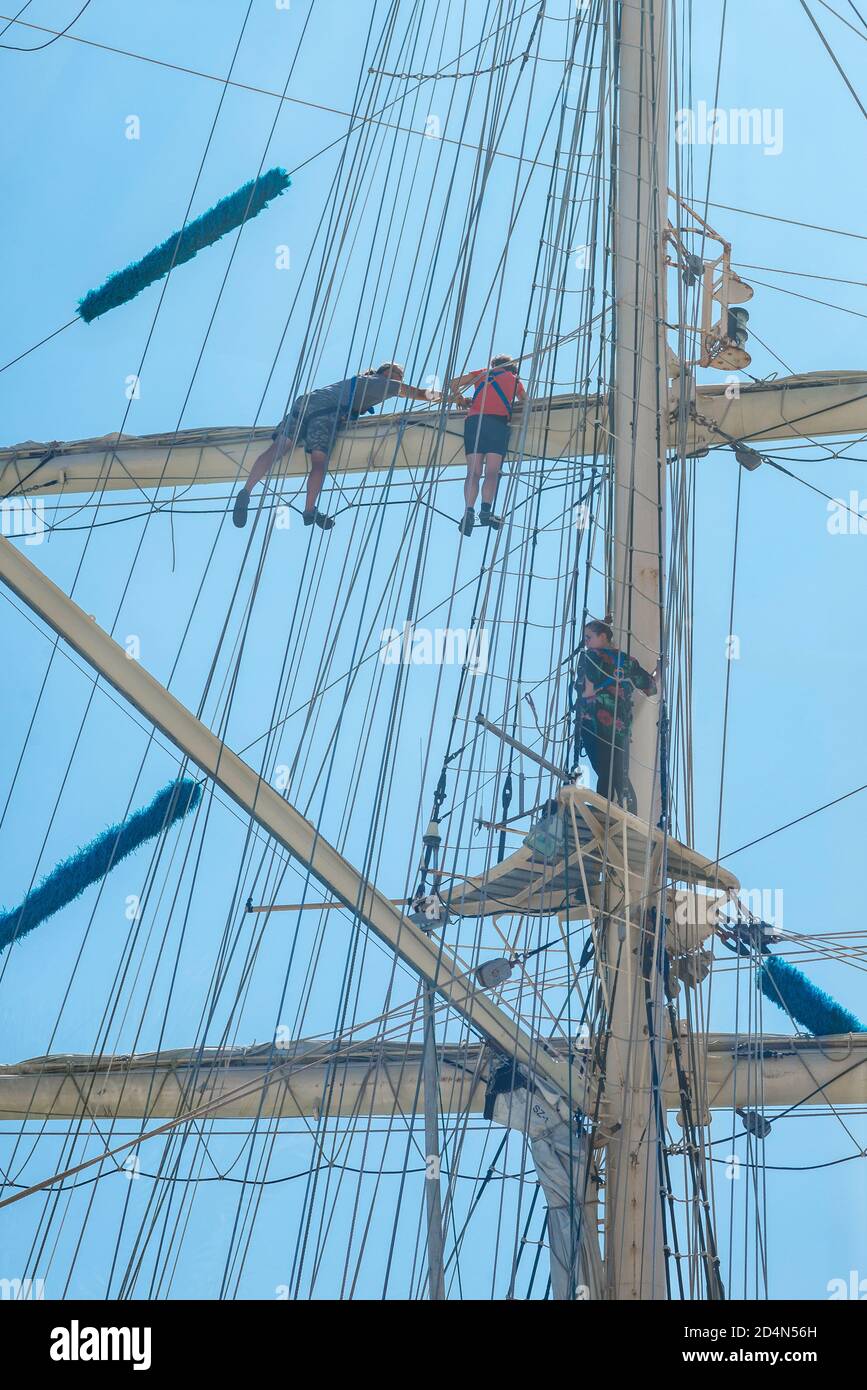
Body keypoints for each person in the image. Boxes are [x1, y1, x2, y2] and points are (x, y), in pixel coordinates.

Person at [232, 362, 437, 530]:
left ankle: (246, 491)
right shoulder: (380, 382)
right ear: (385, 372)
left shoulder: (357, 383)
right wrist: (449, 397)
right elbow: (418, 393)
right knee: (319, 461)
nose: (399, 378)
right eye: (397, 373)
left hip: (304, 403)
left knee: (278, 448)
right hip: (327, 410)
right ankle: (309, 509)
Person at [576, 618, 658, 814]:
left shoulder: (588, 658)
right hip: (618, 726)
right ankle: (629, 812)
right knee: (618, 772)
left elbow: (585, 691)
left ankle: (602, 810)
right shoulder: (626, 661)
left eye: (589, 637)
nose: (586, 642)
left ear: (603, 636)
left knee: (605, 771)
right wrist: (660, 668)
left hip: (592, 723)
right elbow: (650, 686)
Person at [448, 354, 526, 537]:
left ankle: (468, 511)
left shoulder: (483, 373)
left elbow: (452, 382)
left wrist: (459, 398)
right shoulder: (514, 380)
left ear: (494, 365)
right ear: (512, 368)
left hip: (474, 423)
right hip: (497, 423)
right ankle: (485, 511)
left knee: (473, 472)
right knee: (492, 472)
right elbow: (525, 401)